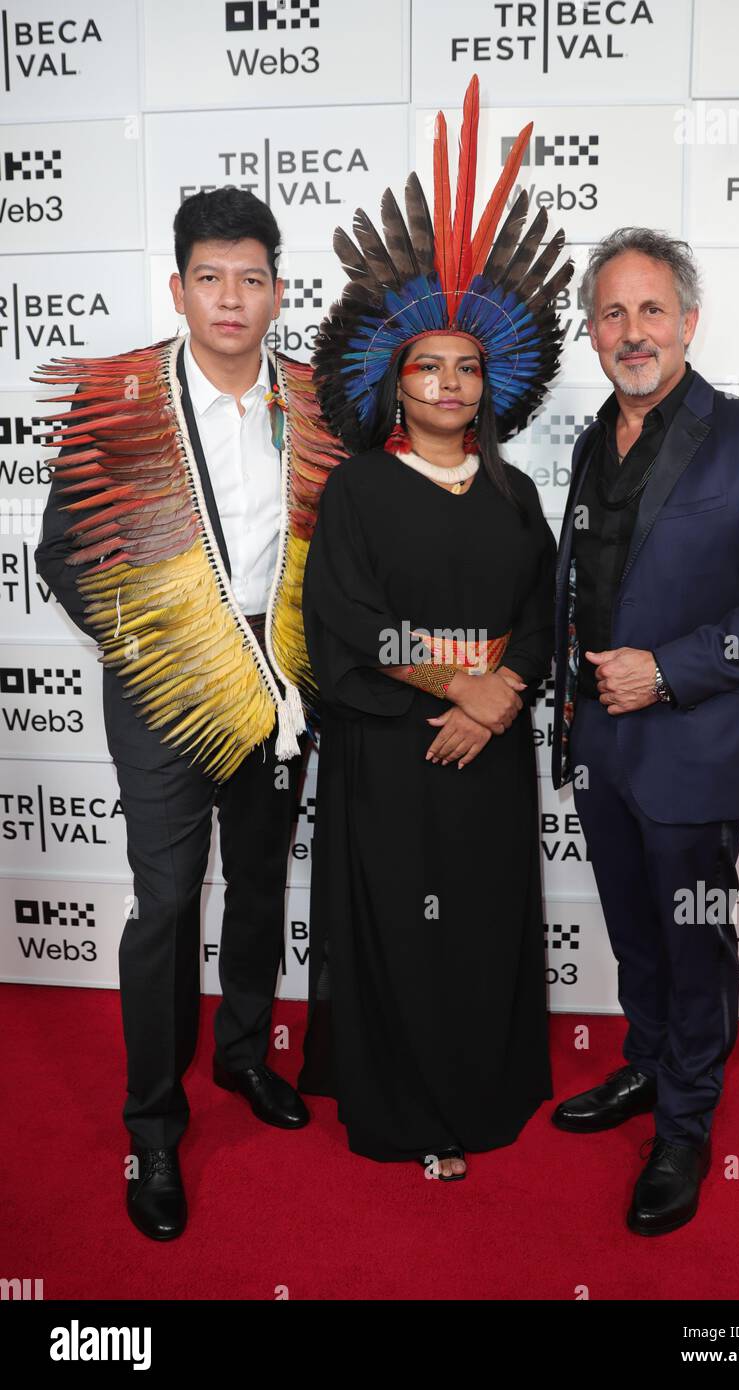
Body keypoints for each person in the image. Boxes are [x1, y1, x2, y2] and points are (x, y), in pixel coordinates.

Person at [33, 188, 343, 1240]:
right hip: (161, 677)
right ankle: (153, 1122)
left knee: (258, 880)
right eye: (208, 277)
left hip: (275, 675)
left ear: (276, 290)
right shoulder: (120, 397)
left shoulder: (310, 397)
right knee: (165, 901)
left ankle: (246, 1053)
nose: (229, 296)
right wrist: (157, 647)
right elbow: (62, 557)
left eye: (250, 277)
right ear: (177, 287)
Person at [297, 76, 573, 1179]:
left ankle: (481, 1097)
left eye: (466, 368)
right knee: (402, 933)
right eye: (430, 367)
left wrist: (503, 694)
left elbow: (539, 614)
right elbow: (346, 626)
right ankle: (407, 1113)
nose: (450, 382)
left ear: (487, 382)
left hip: (489, 757)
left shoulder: (513, 494)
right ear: (394, 381)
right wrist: (461, 687)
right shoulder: (362, 489)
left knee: (479, 928)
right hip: (393, 755)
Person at [549, 227, 739, 1234]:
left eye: (651, 310)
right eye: (613, 313)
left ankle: (683, 1123)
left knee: (693, 941)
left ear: (688, 320)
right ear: (592, 332)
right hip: (600, 746)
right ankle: (644, 1066)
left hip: (696, 745)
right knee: (634, 935)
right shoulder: (592, 440)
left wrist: (666, 672)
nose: (634, 332)